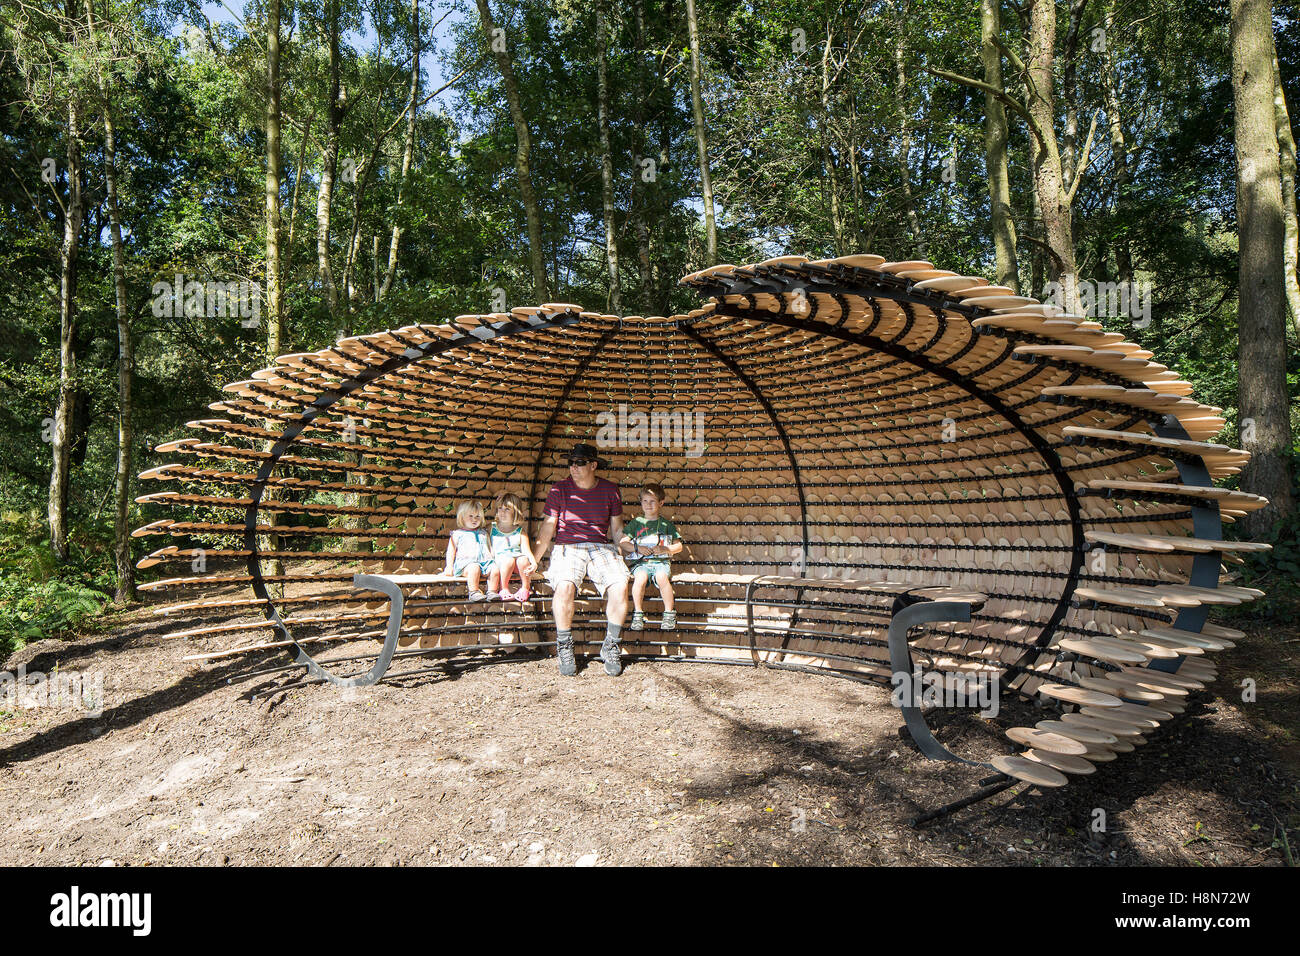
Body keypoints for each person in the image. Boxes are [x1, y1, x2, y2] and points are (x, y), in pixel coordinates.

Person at [531, 442, 630, 676]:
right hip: (568, 546)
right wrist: (535, 559)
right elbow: (548, 527)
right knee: (564, 586)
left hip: (599, 546)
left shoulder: (610, 490)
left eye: (580, 463)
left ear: (593, 465)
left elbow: (617, 530)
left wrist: (628, 550)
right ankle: (565, 645)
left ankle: (611, 645)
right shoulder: (559, 489)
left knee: (620, 584)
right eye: (571, 463)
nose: (573, 467)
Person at [619, 483, 683, 631]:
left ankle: (668, 613)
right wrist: (638, 548)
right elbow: (623, 543)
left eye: (652, 501)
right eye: (645, 501)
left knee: (661, 577)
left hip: (660, 562)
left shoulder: (666, 524)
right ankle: (638, 613)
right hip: (642, 563)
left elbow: (679, 546)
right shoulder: (636, 523)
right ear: (641, 502)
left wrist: (665, 549)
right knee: (640, 577)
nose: (648, 504)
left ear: (661, 503)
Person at [441, 500, 497, 601]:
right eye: (470, 516)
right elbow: (451, 552)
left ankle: (492, 592)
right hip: (466, 565)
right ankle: (474, 592)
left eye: (477, 516)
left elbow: (490, 548)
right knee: (474, 568)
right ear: (462, 517)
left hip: (485, 563)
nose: (474, 519)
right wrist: (449, 567)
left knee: (495, 569)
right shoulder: (457, 534)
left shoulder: (484, 533)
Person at [490, 492, 537, 601]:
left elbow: (526, 551)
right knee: (509, 561)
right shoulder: (491, 528)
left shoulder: (520, 531)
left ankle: (525, 588)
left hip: (516, 565)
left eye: (507, 509)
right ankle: (503, 588)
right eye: (500, 508)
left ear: (515, 512)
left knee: (523, 560)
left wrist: (534, 563)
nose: (502, 512)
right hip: (500, 562)